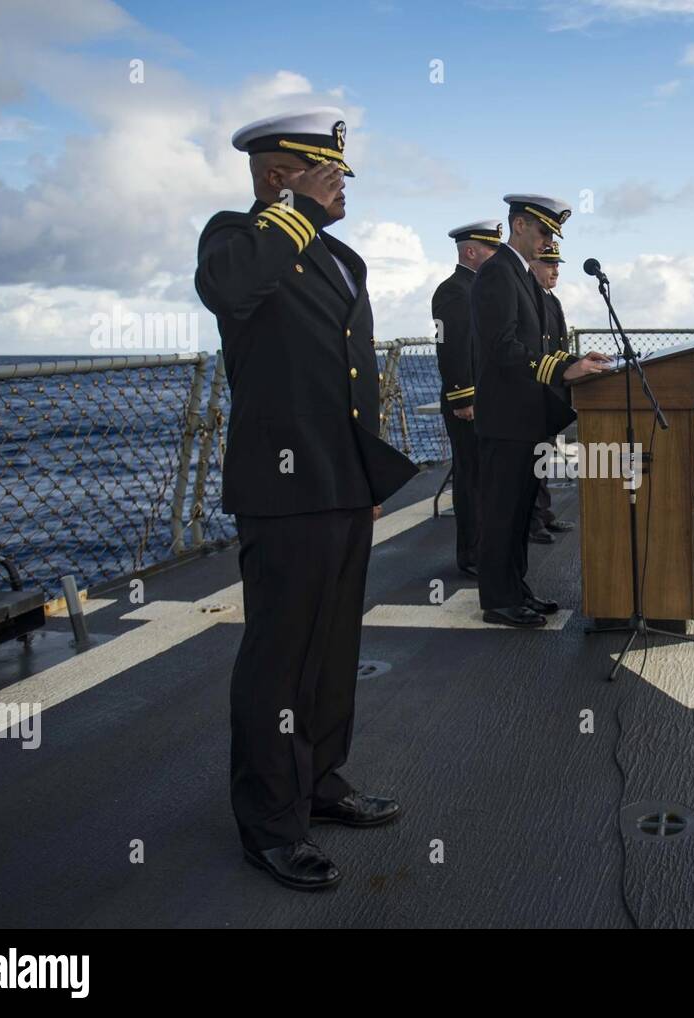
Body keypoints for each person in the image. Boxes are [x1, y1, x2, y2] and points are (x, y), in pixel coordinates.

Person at [196, 108, 406, 892]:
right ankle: (269, 823)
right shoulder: (237, 237)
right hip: (281, 488)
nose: (340, 184)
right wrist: (296, 216)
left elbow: (355, 378)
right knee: (278, 661)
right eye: (328, 171)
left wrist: (366, 475)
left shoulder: (342, 258)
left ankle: (318, 782)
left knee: (330, 651)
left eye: (340, 173)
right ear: (279, 174)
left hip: (340, 483)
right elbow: (225, 289)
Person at [470, 194, 611, 627]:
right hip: (507, 419)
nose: (548, 240)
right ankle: (498, 600)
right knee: (502, 514)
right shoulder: (498, 273)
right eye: (544, 231)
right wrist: (565, 371)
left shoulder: (520, 276)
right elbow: (504, 348)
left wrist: (574, 363)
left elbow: (539, 345)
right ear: (519, 225)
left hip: (526, 417)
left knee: (519, 513)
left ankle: (517, 589)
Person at [433, 220, 503, 577]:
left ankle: (486, 549)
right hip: (469, 403)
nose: (496, 256)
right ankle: (472, 555)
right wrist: (463, 397)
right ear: (470, 251)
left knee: (486, 478)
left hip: (488, 400)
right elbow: (453, 347)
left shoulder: (477, 289)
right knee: (471, 477)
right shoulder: (454, 291)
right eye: (491, 249)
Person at [528, 241, 576, 544]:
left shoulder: (551, 299)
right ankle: (533, 522)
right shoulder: (533, 298)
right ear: (533, 266)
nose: (555, 269)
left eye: (557, 264)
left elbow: (558, 347)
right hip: (535, 389)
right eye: (549, 264)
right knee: (534, 459)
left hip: (551, 388)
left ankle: (543, 513)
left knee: (542, 456)